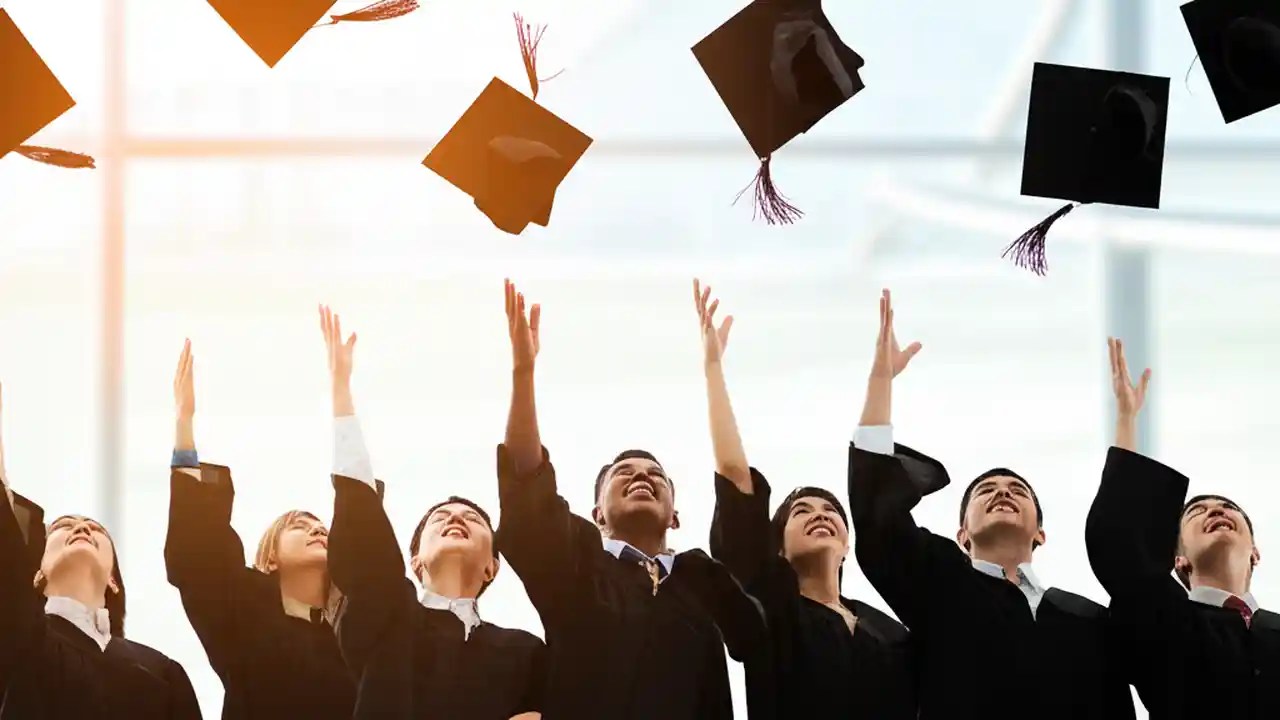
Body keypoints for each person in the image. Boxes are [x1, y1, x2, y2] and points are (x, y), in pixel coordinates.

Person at [848, 291, 1135, 720]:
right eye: (986, 491)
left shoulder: (1086, 618)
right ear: (962, 535)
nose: (1002, 492)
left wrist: (1127, 422)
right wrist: (881, 382)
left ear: (1041, 533)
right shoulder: (939, 585)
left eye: (1018, 490)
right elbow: (877, 518)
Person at [494, 279, 766, 720]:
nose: (642, 476)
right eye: (624, 473)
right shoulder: (578, 566)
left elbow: (756, 635)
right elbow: (529, 490)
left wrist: (713, 369)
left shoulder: (701, 582)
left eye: (657, 476)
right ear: (597, 513)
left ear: (674, 516)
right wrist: (523, 374)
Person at [695, 280, 919, 719]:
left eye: (832, 511)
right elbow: (736, 477)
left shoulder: (891, 633)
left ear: (848, 544)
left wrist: (881, 380)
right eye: (801, 512)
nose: (821, 515)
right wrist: (713, 370)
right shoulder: (772, 611)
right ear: (777, 546)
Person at [318, 305, 545, 720]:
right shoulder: (389, 620)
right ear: (415, 561)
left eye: (473, 519)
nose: (456, 519)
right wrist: (341, 394)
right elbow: (364, 530)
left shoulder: (525, 653)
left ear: (493, 567)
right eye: (440, 518)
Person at [163, 339, 357, 719]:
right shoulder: (243, 620)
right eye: (299, 525)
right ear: (270, 557)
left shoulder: (359, 637)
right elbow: (197, 561)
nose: (318, 530)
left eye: (322, 526)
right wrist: (184, 425)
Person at [1086, 337, 1278, 719]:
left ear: (1255, 551)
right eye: (1196, 513)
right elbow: (1122, 543)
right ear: (1178, 560)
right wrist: (1127, 419)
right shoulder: (1164, 621)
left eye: (1227, 508)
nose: (1215, 510)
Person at [0, 382, 202, 718]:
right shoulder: (18, 637)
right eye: (64, 526)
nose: (81, 528)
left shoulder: (161, 671)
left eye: (95, 529)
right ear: (36, 571)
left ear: (113, 579)